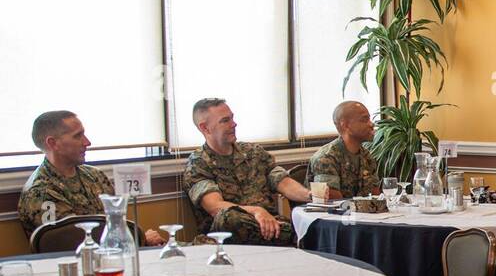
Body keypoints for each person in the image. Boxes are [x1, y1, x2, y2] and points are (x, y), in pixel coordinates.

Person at [18, 110, 163, 244]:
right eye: (77, 136)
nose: (87, 142)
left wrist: (140, 238)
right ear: (52, 143)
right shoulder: (41, 192)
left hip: (113, 257)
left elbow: (117, 223)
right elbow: (73, 243)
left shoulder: (94, 175)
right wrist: (140, 238)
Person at [182, 97, 311, 245]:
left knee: (310, 223)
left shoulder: (253, 152)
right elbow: (215, 207)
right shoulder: (198, 163)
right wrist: (256, 211)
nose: (234, 124)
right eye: (225, 121)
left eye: (232, 118)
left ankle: (290, 235)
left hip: (272, 224)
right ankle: (292, 237)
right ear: (205, 128)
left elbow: (282, 181)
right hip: (227, 235)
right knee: (229, 217)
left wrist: (310, 196)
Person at [309, 101, 381, 200]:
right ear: (345, 126)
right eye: (364, 119)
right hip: (333, 214)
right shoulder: (326, 158)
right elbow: (334, 203)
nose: (371, 124)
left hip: (363, 213)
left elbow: (375, 198)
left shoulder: (367, 156)